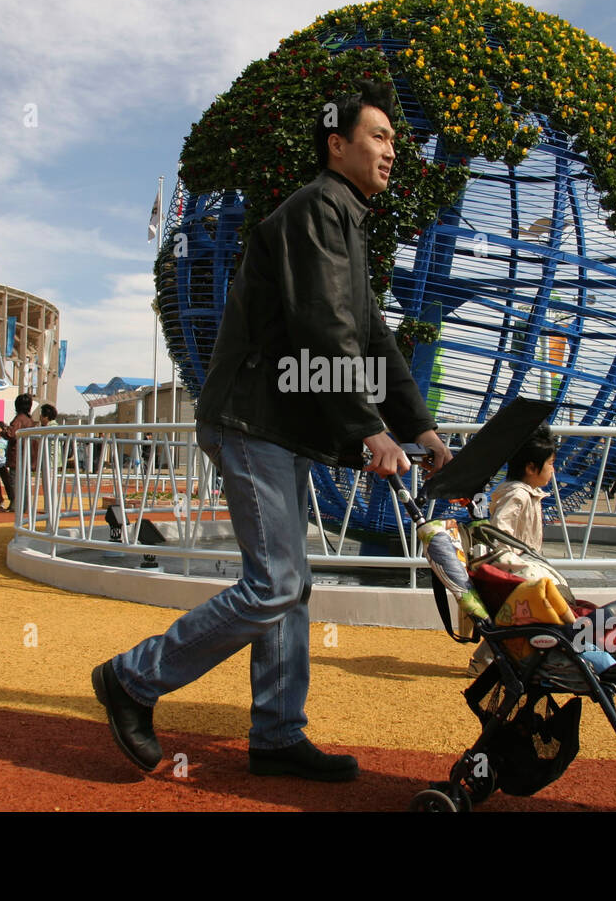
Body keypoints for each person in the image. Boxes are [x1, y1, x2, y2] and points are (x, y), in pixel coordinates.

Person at [92, 80, 452, 782]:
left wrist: (421, 428)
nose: (390, 152)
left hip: (280, 427)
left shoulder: (345, 219)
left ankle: (278, 735)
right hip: (252, 418)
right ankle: (133, 679)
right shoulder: (316, 209)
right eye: (376, 137)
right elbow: (328, 327)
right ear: (336, 144)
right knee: (274, 583)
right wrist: (369, 430)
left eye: (391, 141)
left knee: (291, 584)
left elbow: (371, 336)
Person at [467, 425, 557, 675]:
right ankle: (485, 661)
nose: (553, 470)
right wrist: (515, 563)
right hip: (515, 571)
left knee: (515, 619)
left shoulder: (526, 493)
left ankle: (494, 660)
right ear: (531, 467)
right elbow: (499, 531)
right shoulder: (517, 495)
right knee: (514, 620)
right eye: (550, 463)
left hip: (522, 568)